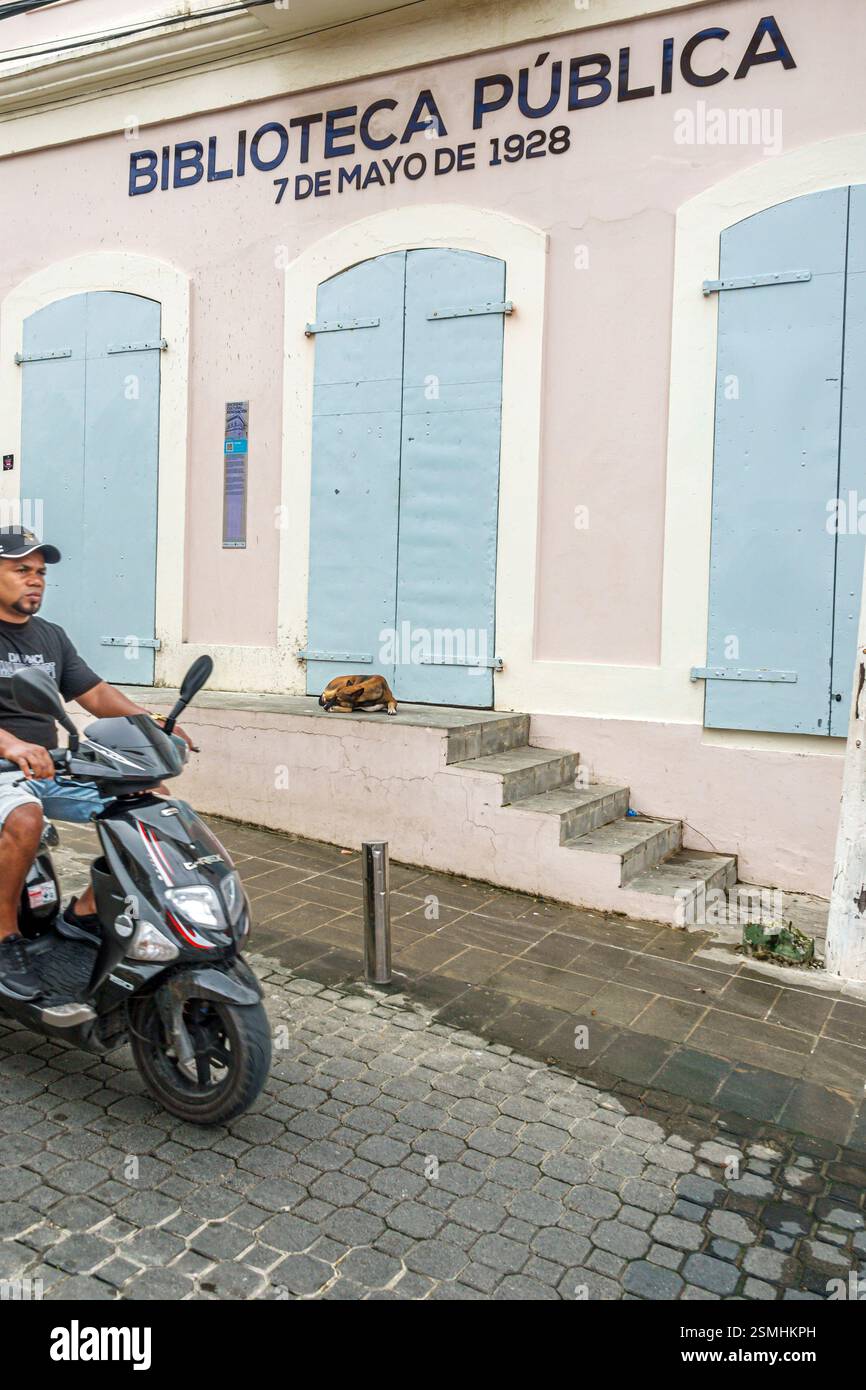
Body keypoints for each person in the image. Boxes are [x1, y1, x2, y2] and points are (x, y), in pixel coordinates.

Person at [0, 526, 188, 1000]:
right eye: (21, 570)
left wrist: (151, 725)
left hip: (51, 767)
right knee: (25, 818)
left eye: (40, 572)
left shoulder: (50, 636)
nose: (35, 579)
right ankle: (4, 939)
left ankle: (84, 913)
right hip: (5, 769)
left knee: (150, 806)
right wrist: (11, 745)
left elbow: (96, 694)